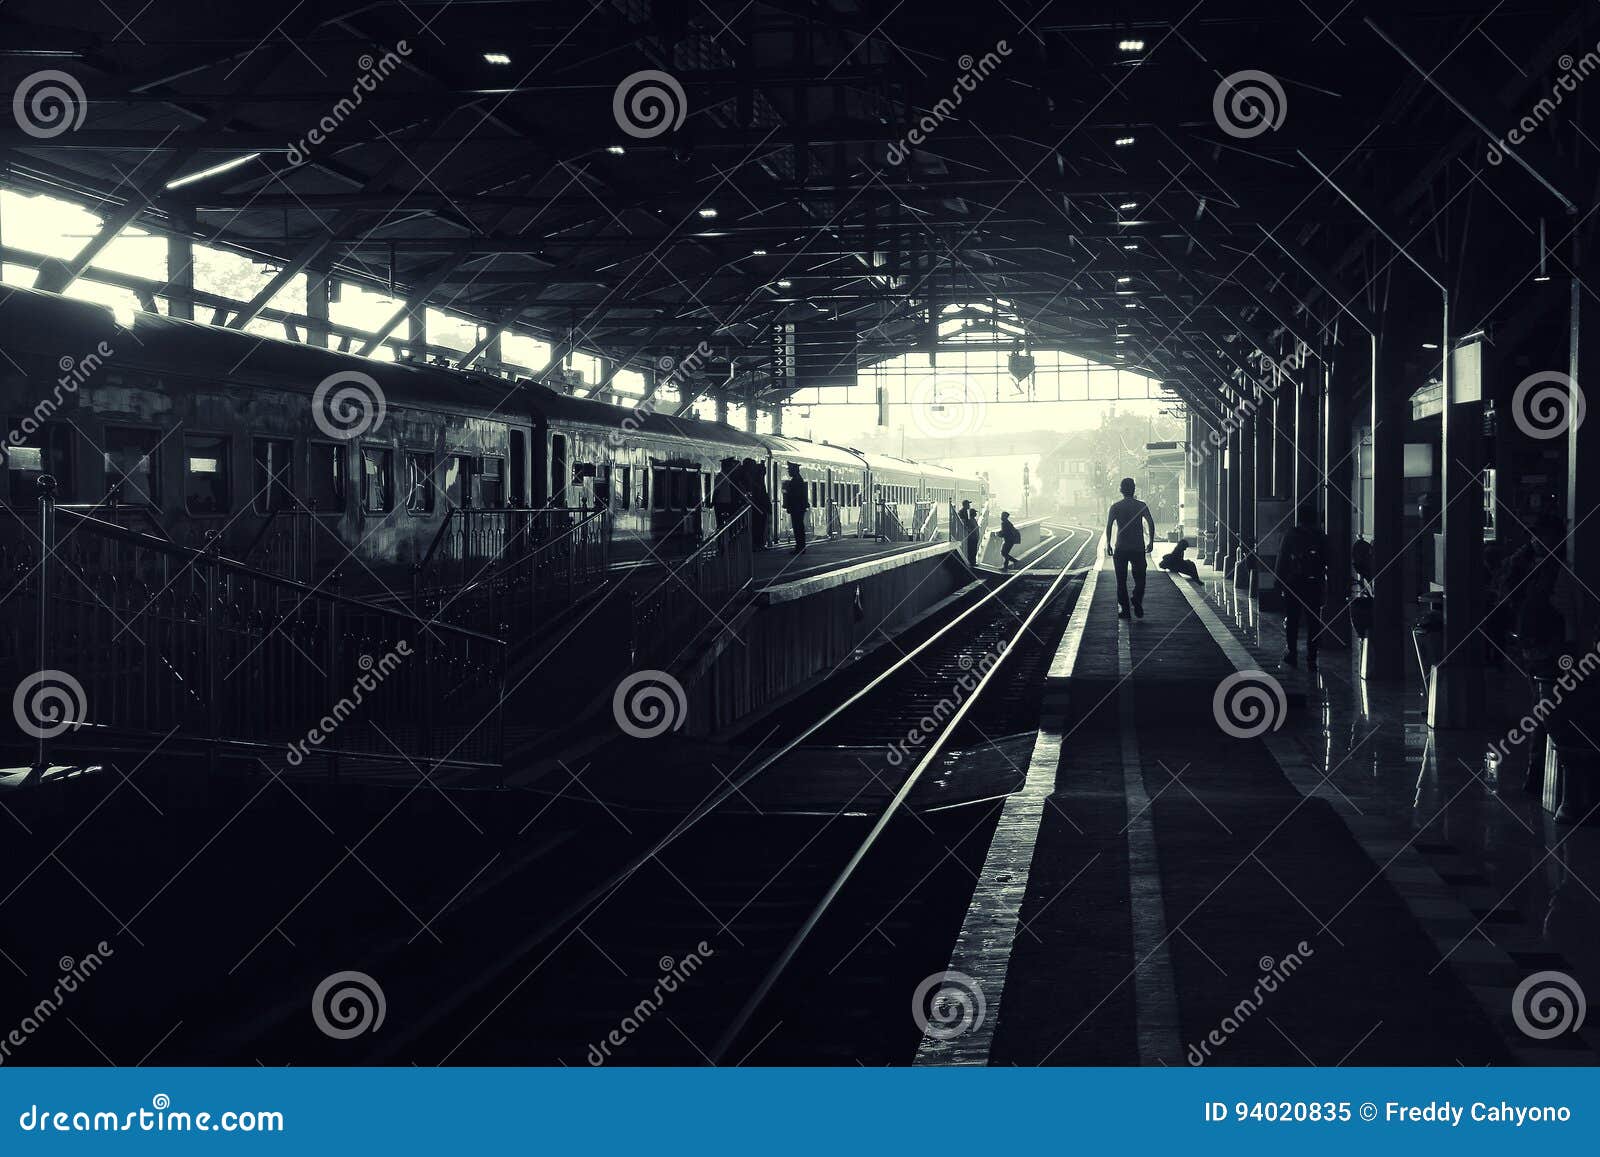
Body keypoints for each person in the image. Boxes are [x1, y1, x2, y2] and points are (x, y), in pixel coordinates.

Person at [1276, 503, 1330, 669]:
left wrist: (1279, 581)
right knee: (1313, 621)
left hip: (1294, 583)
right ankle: (1311, 656)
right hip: (1313, 584)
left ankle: (1292, 653)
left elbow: (1282, 558)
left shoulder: (1291, 534)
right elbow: (1328, 560)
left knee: (1292, 620)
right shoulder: (1320, 536)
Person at [1105, 477, 1156, 619]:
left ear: (1121, 490)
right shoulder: (1141, 505)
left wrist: (1108, 543)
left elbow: (1109, 526)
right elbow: (1151, 523)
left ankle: (1125, 610)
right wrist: (1151, 541)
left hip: (1121, 548)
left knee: (1121, 581)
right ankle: (1137, 598)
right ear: (1134, 489)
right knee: (1141, 578)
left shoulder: (1115, 507)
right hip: (1137, 548)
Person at [742, 457, 771, 551]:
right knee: (758, 526)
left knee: (758, 525)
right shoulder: (753, 478)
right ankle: (757, 543)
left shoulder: (755, 478)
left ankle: (758, 543)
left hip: (759, 506)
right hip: (758, 506)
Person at [781, 462, 809, 554]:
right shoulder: (797, 480)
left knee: (798, 528)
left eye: (790, 469)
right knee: (798, 528)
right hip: (798, 508)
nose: (788, 471)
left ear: (794, 470)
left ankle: (800, 547)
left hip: (797, 508)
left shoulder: (796, 481)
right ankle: (800, 547)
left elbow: (795, 496)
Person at [712, 458, 740, 529]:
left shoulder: (728, 477)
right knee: (721, 524)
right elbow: (716, 491)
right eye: (730, 466)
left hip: (728, 503)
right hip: (721, 503)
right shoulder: (720, 477)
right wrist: (713, 502)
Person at [956, 499, 979, 567]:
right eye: (968, 504)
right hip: (969, 534)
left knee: (972, 549)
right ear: (965, 505)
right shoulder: (962, 512)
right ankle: (972, 562)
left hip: (971, 534)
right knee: (972, 549)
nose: (969, 505)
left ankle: (972, 561)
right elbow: (963, 523)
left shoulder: (966, 512)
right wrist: (968, 530)